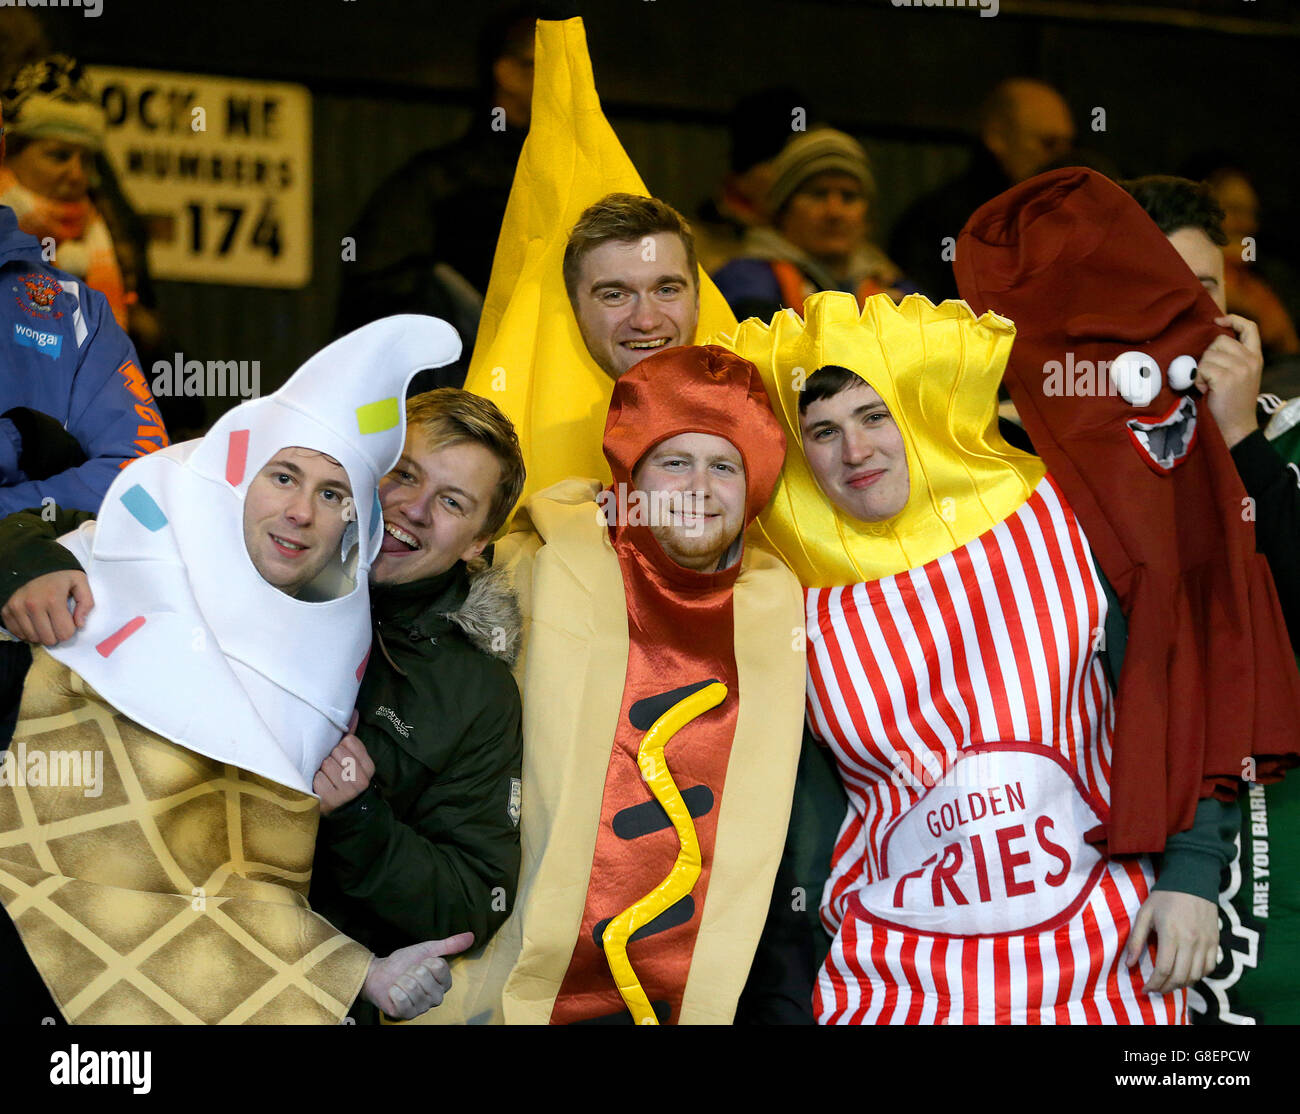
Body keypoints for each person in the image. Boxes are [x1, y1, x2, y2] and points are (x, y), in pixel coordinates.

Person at [725, 290, 1249, 1022]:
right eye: (822, 431)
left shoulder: (1067, 524)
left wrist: (1192, 875)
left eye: (876, 415)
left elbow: (1178, 699)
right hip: (897, 983)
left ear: (925, 406)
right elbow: (806, 823)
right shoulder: (789, 598)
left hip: (1111, 960)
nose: (855, 451)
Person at [0, 387, 529, 1025]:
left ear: (479, 542)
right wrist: (28, 562)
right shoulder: (237, 536)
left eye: (451, 502)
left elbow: (473, 900)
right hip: (79, 911)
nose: (412, 509)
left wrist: (358, 816)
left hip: (268, 984)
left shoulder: (474, 693)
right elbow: (76, 526)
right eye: (403, 475)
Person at [428, 344, 809, 1024]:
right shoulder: (531, 568)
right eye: (674, 462)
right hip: (501, 982)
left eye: (724, 465)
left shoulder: (784, 614)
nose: (699, 485)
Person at [1121, 174, 1300, 647]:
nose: (1190, 311)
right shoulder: (1059, 443)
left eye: (1205, 288)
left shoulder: (1287, 431)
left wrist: (1241, 434)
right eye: (1161, 290)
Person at [334, 6, 539, 387]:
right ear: (508, 73)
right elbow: (374, 286)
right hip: (461, 402)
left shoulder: (573, 175)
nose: (567, 84)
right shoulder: (441, 181)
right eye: (551, 68)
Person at [889, 77, 1075, 302]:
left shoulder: (1064, 219)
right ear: (997, 137)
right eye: (1048, 144)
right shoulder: (936, 222)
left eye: (1067, 146)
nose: (1063, 159)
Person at [713, 128, 910, 324]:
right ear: (783, 210)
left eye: (849, 197)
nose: (834, 212)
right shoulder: (745, 279)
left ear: (867, 216)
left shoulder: (893, 285)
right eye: (818, 194)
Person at [0, 55, 129, 329]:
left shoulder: (110, 240)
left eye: (86, 160)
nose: (78, 175)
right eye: (59, 156)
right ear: (8, 155)